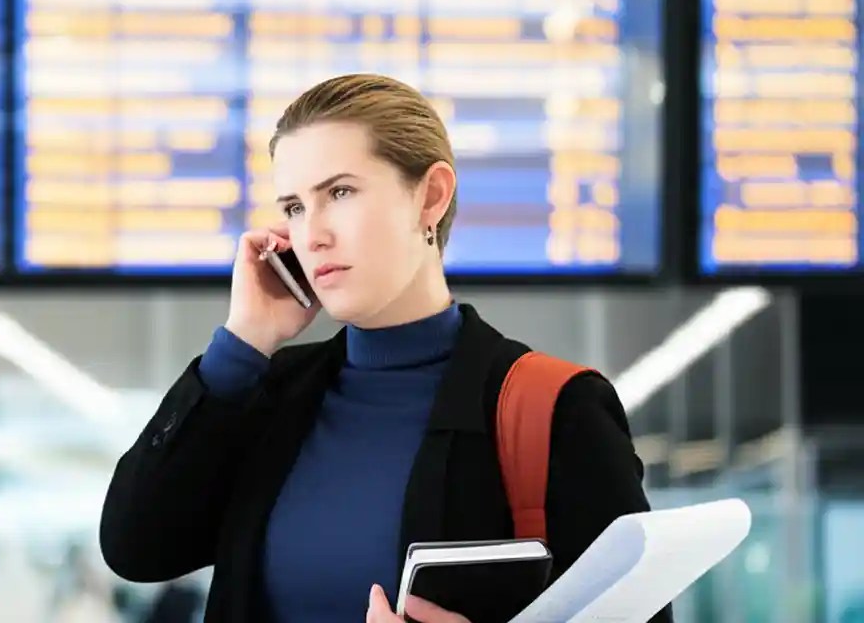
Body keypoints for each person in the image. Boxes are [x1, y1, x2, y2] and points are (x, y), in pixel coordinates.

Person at [99, 73, 670, 623]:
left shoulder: (553, 410)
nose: (312, 233)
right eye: (295, 207)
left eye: (340, 192)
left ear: (431, 196)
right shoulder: (267, 393)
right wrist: (243, 343)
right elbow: (136, 547)